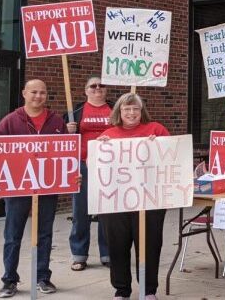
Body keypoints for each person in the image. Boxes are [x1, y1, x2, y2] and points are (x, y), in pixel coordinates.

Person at [0, 79, 65, 297]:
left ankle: (43, 277)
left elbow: (65, 154)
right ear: (24, 93)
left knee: (44, 234)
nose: (38, 96)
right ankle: (9, 280)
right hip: (17, 188)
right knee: (13, 235)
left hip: (47, 187)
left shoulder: (56, 121)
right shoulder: (10, 121)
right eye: (33, 92)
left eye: (42, 92)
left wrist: (70, 175)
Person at [96, 93, 170, 300]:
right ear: (119, 112)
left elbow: (171, 158)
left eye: (135, 109)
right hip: (116, 200)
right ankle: (121, 290)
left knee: (150, 244)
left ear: (141, 111)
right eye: (127, 109)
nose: (131, 113)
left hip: (150, 199)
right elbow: (94, 167)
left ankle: (148, 290)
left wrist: (160, 146)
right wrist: (99, 148)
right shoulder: (108, 134)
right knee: (117, 244)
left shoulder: (156, 129)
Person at [66, 76, 112, 271]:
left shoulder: (115, 109)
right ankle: (79, 254)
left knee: (107, 211)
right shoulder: (75, 111)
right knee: (80, 211)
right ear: (86, 90)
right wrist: (68, 131)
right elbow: (62, 141)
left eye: (101, 85)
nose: (97, 88)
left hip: (109, 165)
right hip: (83, 165)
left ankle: (108, 253)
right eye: (93, 86)